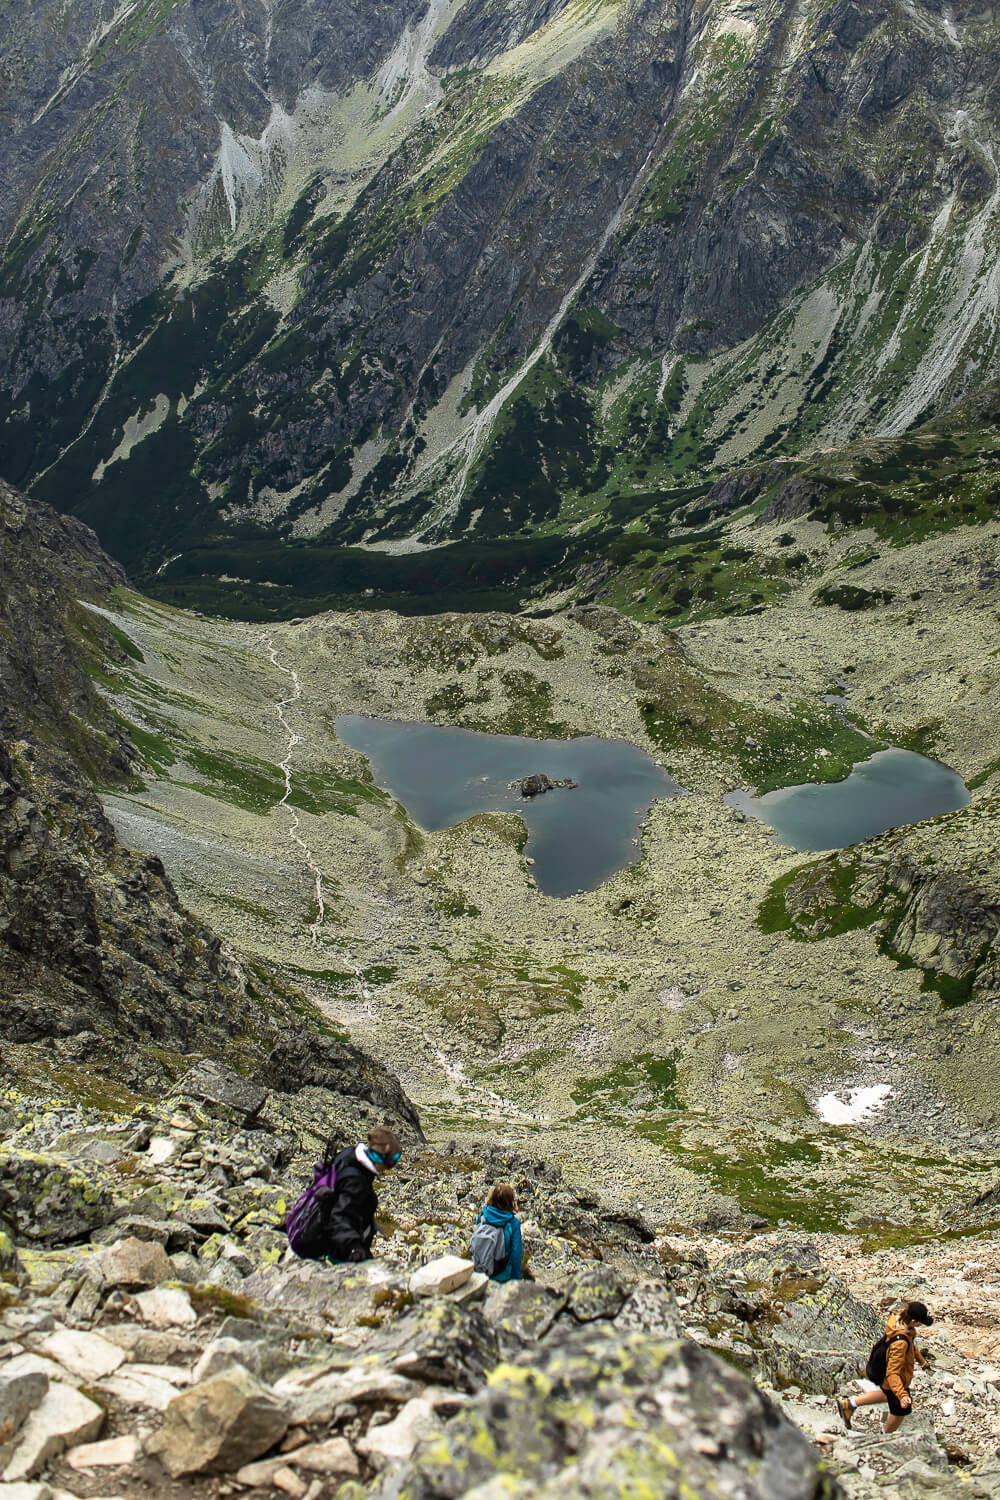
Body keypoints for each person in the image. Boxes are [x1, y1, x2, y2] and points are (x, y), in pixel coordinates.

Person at [837, 1300, 934, 1433]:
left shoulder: (899, 1321)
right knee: (901, 1410)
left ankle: (849, 1404)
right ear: (913, 1321)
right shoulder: (900, 1343)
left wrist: (922, 1361)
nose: (920, 1325)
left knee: (886, 1394)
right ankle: (886, 1438)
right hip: (895, 1378)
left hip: (884, 1372)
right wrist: (902, 1395)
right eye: (920, 1322)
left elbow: (911, 1345)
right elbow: (893, 1373)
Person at [323, 1126, 403, 1263]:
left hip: (336, 1244)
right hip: (341, 1252)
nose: (389, 1168)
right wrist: (354, 1248)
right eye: (391, 1161)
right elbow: (340, 1216)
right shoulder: (356, 1181)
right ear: (380, 1158)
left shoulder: (350, 1157)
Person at [471, 1183, 523, 1282]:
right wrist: (516, 1281)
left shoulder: (482, 1217)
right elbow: (516, 1253)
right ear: (510, 1202)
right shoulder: (513, 1223)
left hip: (479, 1275)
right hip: (503, 1278)